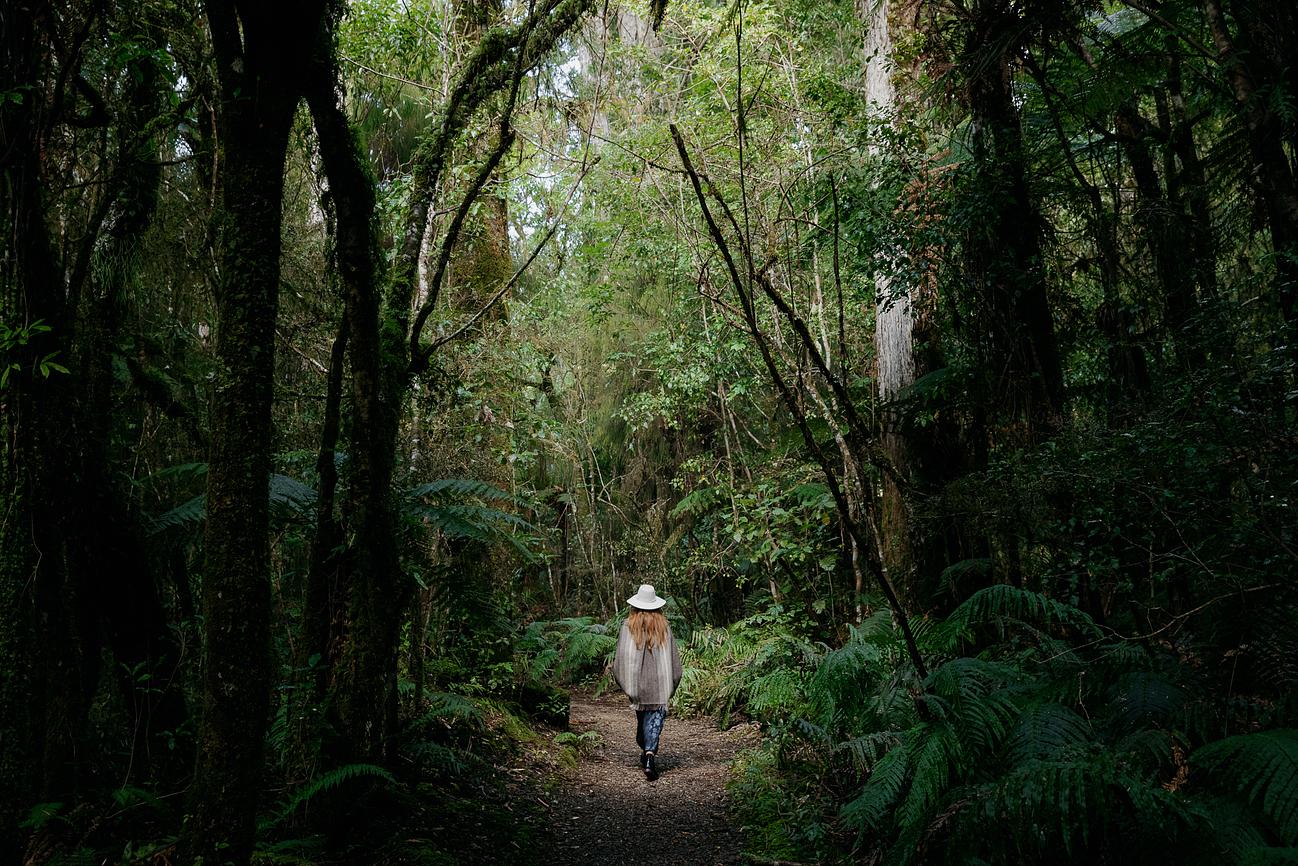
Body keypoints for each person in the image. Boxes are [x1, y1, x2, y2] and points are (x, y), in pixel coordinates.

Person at [612, 584, 682, 781]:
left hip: (638, 686)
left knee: (643, 719)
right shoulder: (664, 627)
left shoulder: (627, 626)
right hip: (659, 686)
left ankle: (647, 752)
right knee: (654, 721)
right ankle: (650, 755)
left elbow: (621, 660)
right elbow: (674, 660)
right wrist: (672, 683)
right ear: (656, 606)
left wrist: (626, 684)